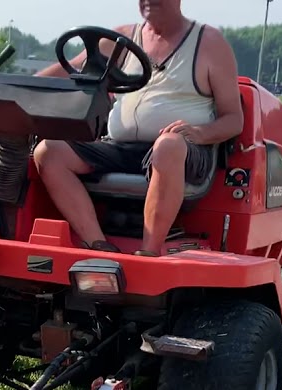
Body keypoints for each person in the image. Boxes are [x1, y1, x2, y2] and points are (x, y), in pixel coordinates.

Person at [32, 0, 243, 256]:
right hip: (119, 148)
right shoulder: (121, 39)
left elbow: (234, 119)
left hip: (183, 152)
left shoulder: (209, 42)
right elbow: (72, 69)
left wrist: (199, 132)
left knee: (167, 145)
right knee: (48, 151)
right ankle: (98, 245)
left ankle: (149, 252)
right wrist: (18, 89)